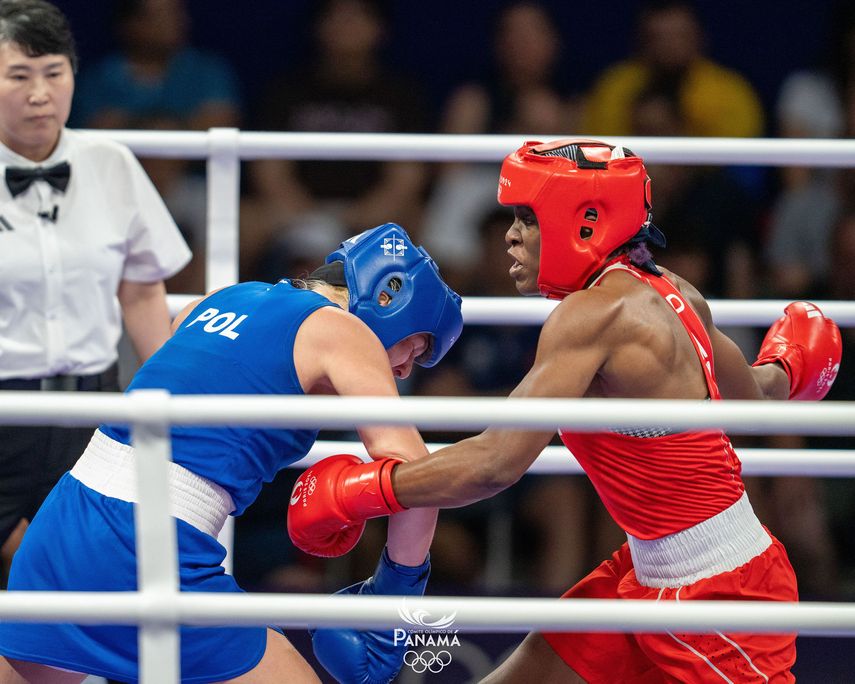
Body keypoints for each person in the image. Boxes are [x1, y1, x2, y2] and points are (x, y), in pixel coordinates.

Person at [289, 140, 843, 682]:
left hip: (720, 595)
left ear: (586, 221)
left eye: (526, 219)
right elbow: (755, 393)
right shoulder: (674, 291)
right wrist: (793, 365)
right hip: (647, 570)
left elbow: (495, 464)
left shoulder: (592, 315)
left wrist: (361, 491)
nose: (509, 236)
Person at [0, 222, 463, 683]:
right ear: (389, 300)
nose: (403, 370)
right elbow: (420, 478)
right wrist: (398, 591)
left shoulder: (219, 298)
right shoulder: (342, 330)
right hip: (147, 539)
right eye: (414, 347)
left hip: (63, 520)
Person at [0, 0, 191, 587]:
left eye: (53, 73)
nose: (40, 93)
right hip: (4, 412)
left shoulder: (110, 163)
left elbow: (141, 294)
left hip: (94, 412)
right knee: (34, 570)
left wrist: (170, 396)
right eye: (18, 75)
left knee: (93, 586)